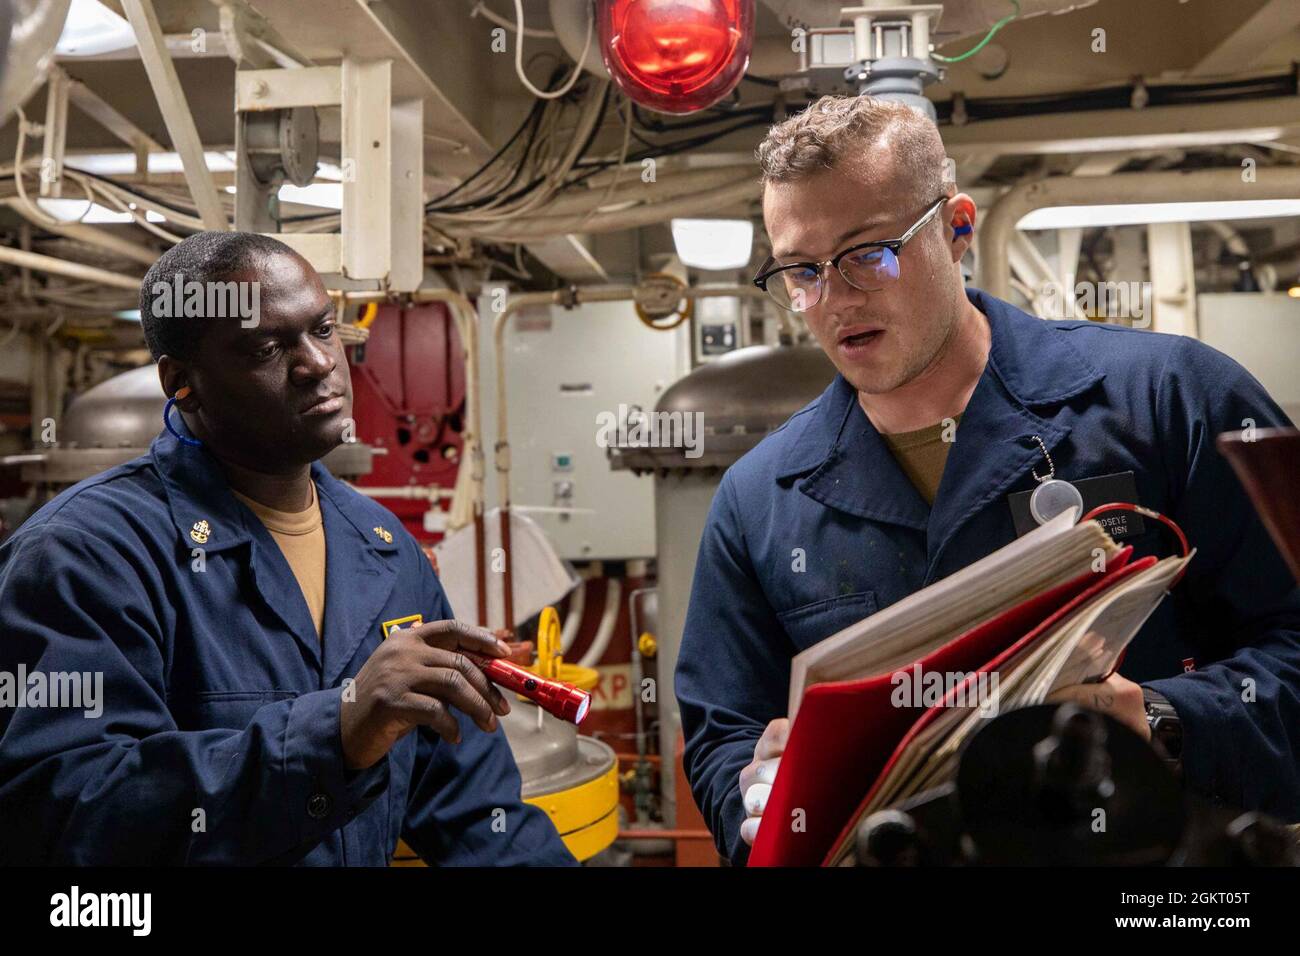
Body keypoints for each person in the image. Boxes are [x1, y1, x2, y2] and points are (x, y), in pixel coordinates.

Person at [675, 95, 1300, 865]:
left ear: (957, 227)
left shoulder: (1171, 399)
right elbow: (722, 736)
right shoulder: (759, 500)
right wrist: (758, 788)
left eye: (867, 253)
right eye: (802, 271)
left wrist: (1162, 720)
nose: (833, 300)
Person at [0, 231, 575, 866]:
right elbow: (67, 815)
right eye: (268, 347)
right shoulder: (85, 557)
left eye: (323, 329)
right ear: (181, 381)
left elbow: (475, 812)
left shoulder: (384, 551)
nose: (318, 363)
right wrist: (335, 733)